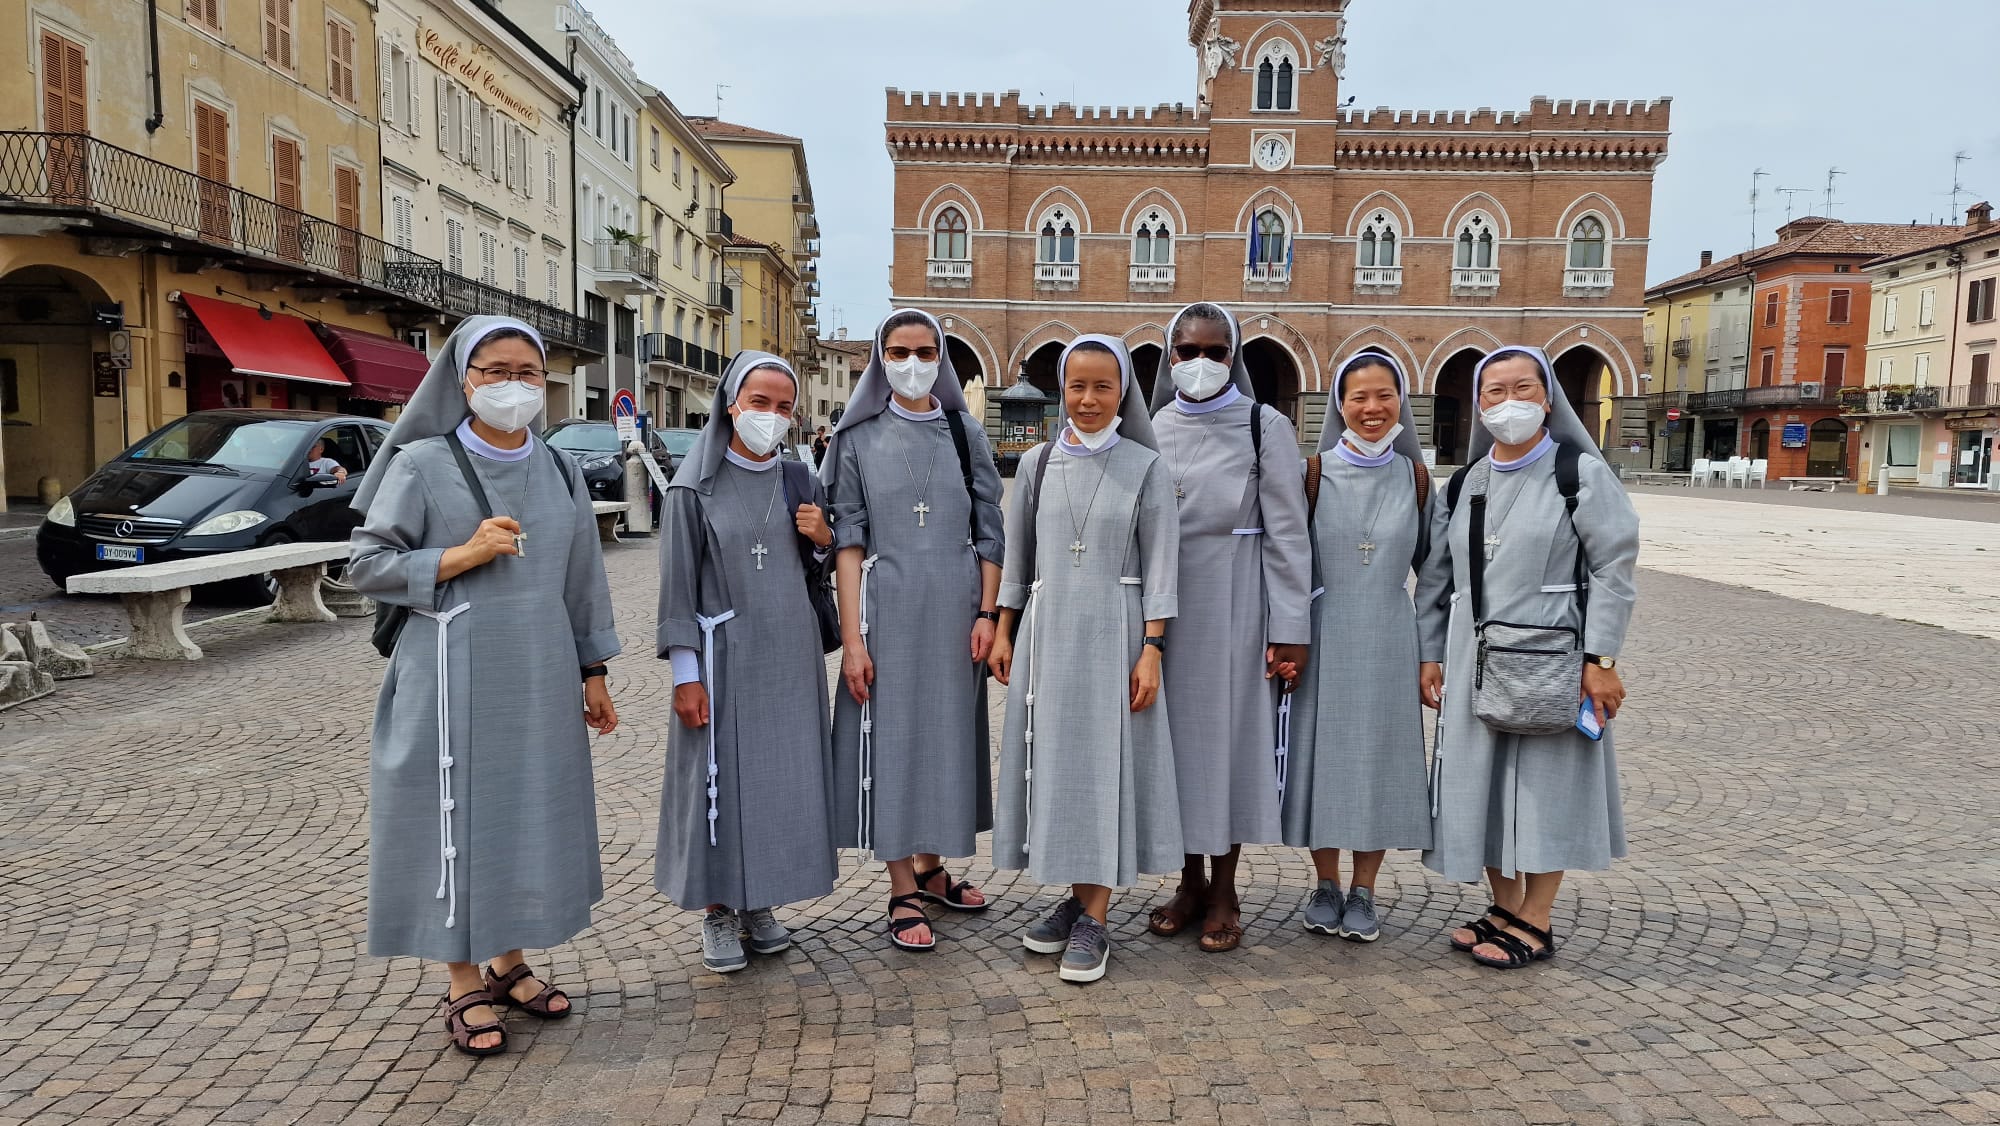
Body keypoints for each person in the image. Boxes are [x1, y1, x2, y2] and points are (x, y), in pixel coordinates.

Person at [348, 316, 620, 1057]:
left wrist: (593, 672)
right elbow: (365, 564)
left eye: (528, 373)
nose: (513, 386)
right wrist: (457, 557)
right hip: (449, 673)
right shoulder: (420, 463)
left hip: (537, 675)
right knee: (457, 818)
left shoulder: (561, 469)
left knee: (525, 811)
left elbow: (581, 580)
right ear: (462, 381)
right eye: (495, 371)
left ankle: (509, 962)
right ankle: (463, 978)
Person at [1415, 346, 1640, 969]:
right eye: (1494, 391)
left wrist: (1603, 658)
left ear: (1547, 398)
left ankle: (1537, 916)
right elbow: (1438, 576)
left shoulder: (1581, 475)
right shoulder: (1465, 482)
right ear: (1480, 402)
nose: (1508, 402)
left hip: (1553, 647)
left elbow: (1614, 572)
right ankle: (1505, 902)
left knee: (1548, 783)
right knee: (1478, 780)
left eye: (1522, 388)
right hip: (1475, 650)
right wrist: (1429, 652)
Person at [988, 335, 1181, 984]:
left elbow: (1161, 568)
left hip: (1116, 632)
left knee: (1102, 766)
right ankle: (1078, 897)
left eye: (1103, 387)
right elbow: (1019, 559)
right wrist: (1005, 628)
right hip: (1048, 633)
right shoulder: (1039, 463)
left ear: (1123, 391)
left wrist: (1152, 648)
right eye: (1077, 386)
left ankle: (1095, 917)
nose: (1089, 399)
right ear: (1061, 390)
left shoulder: (1145, 468)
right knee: (1060, 768)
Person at [823, 310, 1005, 951]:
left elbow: (990, 530)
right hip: (886, 612)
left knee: (945, 738)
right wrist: (852, 640)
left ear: (942, 357)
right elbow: (846, 541)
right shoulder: (855, 438)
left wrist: (987, 612)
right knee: (892, 740)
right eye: (898, 351)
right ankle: (901, 887)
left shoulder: (965, 431)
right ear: (880, 358)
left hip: (957, 614)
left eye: (925, 351)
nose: (912, 362)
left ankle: (929, 869)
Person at [655, 351, 840, 975]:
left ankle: (758, 899)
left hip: (790, 655)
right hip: (722, 654)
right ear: (732, 403)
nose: (771, 416)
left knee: (778, 780)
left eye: (783, 407)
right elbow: (677, 587)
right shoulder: (692, 487)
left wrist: (823, 541)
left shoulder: (799, 481)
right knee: (720, 781)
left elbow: (814, 573)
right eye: (759, 403)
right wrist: (686, 675)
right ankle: (718, 909)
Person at [1142, 302, 1311, 954]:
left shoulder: (1262, 423)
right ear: (1171, 358)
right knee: (1177, 748)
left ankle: (1226, 887)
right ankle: (1188, 883)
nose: (1201, 363)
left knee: (1229, 745)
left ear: (1233, 358)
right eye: (1188, 351)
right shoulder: (1154, 424)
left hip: (1237, 603)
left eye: (1216, 352)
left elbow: (1289, 533)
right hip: (1169, 609)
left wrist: (1290, 625)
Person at [1281, 351, 1433, 942]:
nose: (1372, 409)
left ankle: (1365, 890)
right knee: (1323, 756)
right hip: (1324, 632)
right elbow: (1289, 561)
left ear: (1401, 403)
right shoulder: (1311, 474)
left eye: (1384, 396)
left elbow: (1438, 573)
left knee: (1380, 760)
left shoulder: (1417, 480)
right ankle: (1325, 883)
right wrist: (1287, 633)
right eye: (1359, 398)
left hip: (1391, 633)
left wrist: (1431, 653)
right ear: (1340, 405)